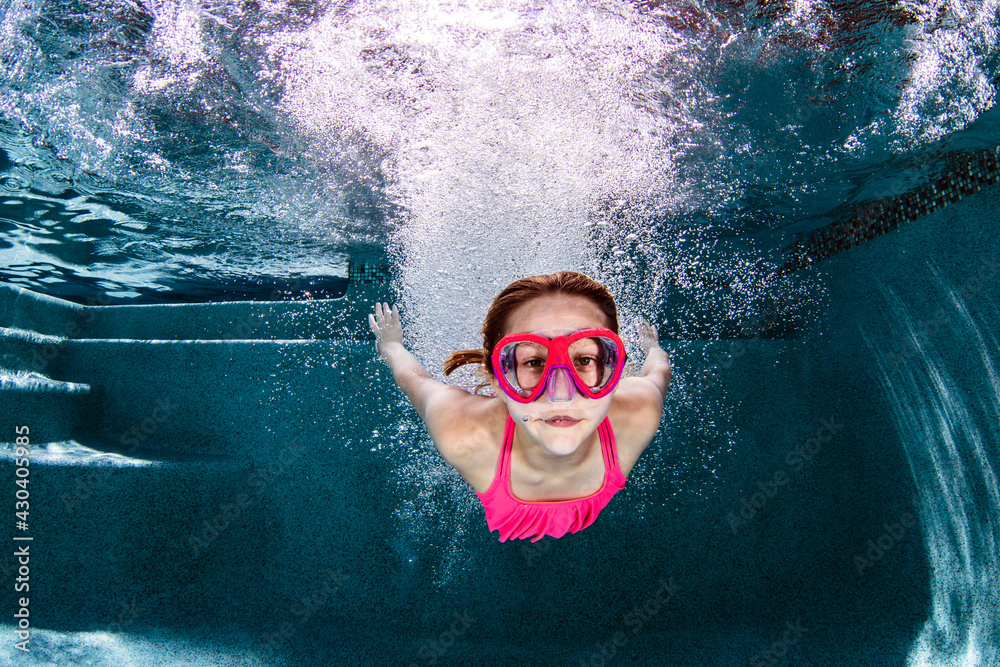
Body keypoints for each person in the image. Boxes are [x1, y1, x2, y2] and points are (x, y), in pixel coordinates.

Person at [368, 271, 671, 542]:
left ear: (615, 372)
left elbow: (659, 369)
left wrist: (653, 347)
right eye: (534, 362)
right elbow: (415, 379)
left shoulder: (639, 414)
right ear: (498, 382)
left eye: (584, 359)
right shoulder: (462, 434)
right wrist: (391, 346)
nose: (560, 396)